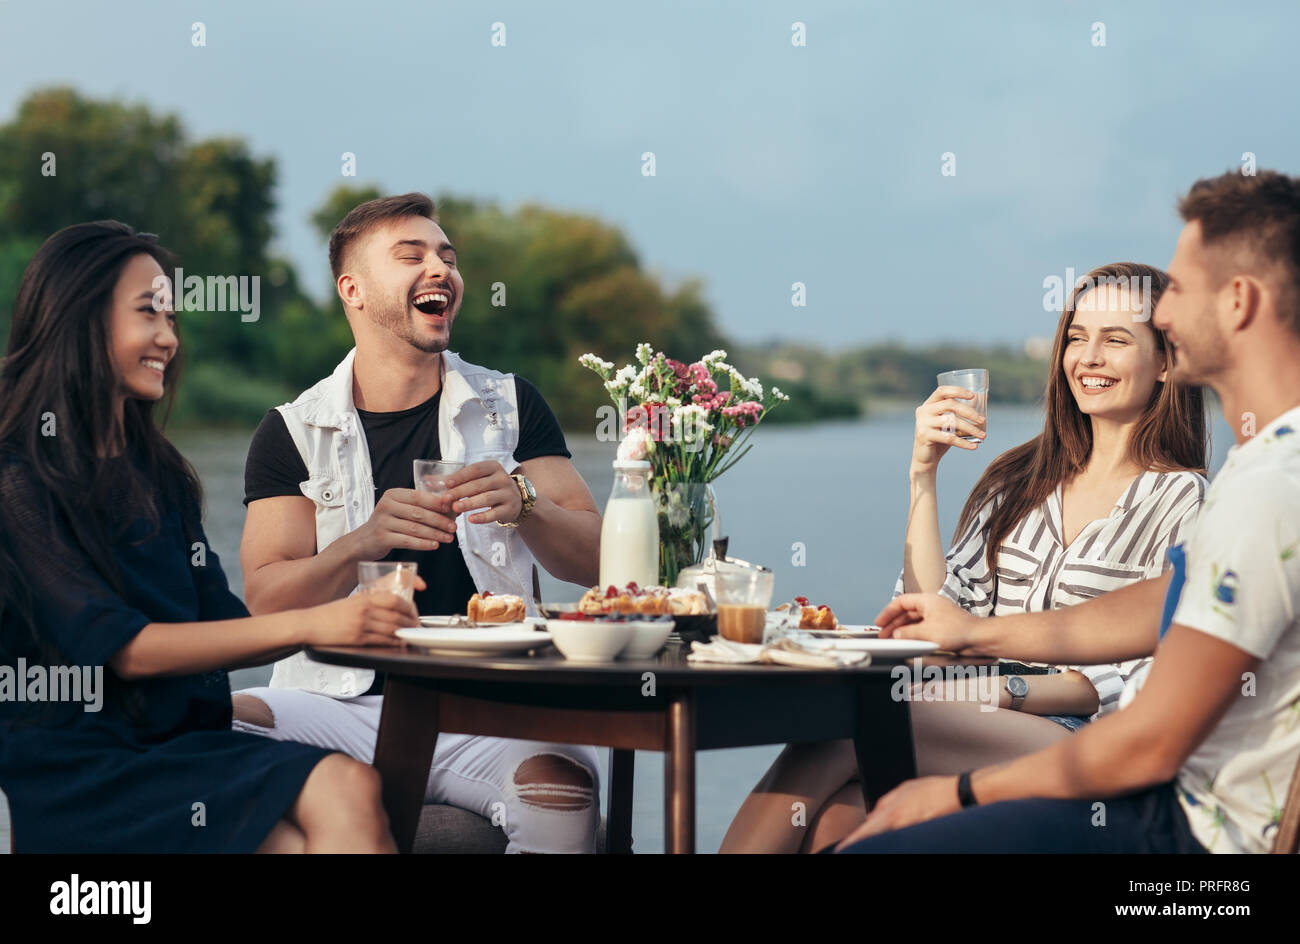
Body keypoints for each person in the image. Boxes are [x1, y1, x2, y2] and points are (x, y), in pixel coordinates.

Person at [838, 169, 1300, 854]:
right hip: (1153, 798)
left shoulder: (1264, 488)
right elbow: (1157, 605)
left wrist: (959, 793)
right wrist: (970, 633)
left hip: (1183, 834)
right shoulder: (1258, 470)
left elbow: (1149, 739)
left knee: (875, 788)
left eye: (1176, 287)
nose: (1165, 312)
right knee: (849, 801)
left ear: (1237, 301)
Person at [721, 263, 1208, 853]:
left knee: (855, 725)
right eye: (1077, 338)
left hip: (1087, 745)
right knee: (836, 820)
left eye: (1116, 339)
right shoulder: (1018, 480)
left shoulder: (1183, 498)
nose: (1090, 357)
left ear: (1165, 362)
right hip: (966, 716)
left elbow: (1128, 674)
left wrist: (989, 687)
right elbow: (937, 618)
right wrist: (922, 473)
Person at [0, 222, 418, 853]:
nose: (168, 338)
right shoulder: (18, 479)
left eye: (171, 318)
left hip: (185, 746)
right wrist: (318, 624)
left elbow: (223, 625)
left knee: (349, 786)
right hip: (82, 770)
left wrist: (369, 618)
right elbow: (123, 649)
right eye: (148, 315)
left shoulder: (160, 474)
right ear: (79, 318)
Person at [232, 193, 605, 853]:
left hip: (495, 707)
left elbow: (600, 562)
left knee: (564, 796)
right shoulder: (292, 429)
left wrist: (528, 503)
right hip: (336, 704)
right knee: (206, 729)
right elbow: (266, 599)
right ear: (353, 289)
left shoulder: (510, 407)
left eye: (448, 258)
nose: (440, 269)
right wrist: (361, 542)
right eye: (412, 256)